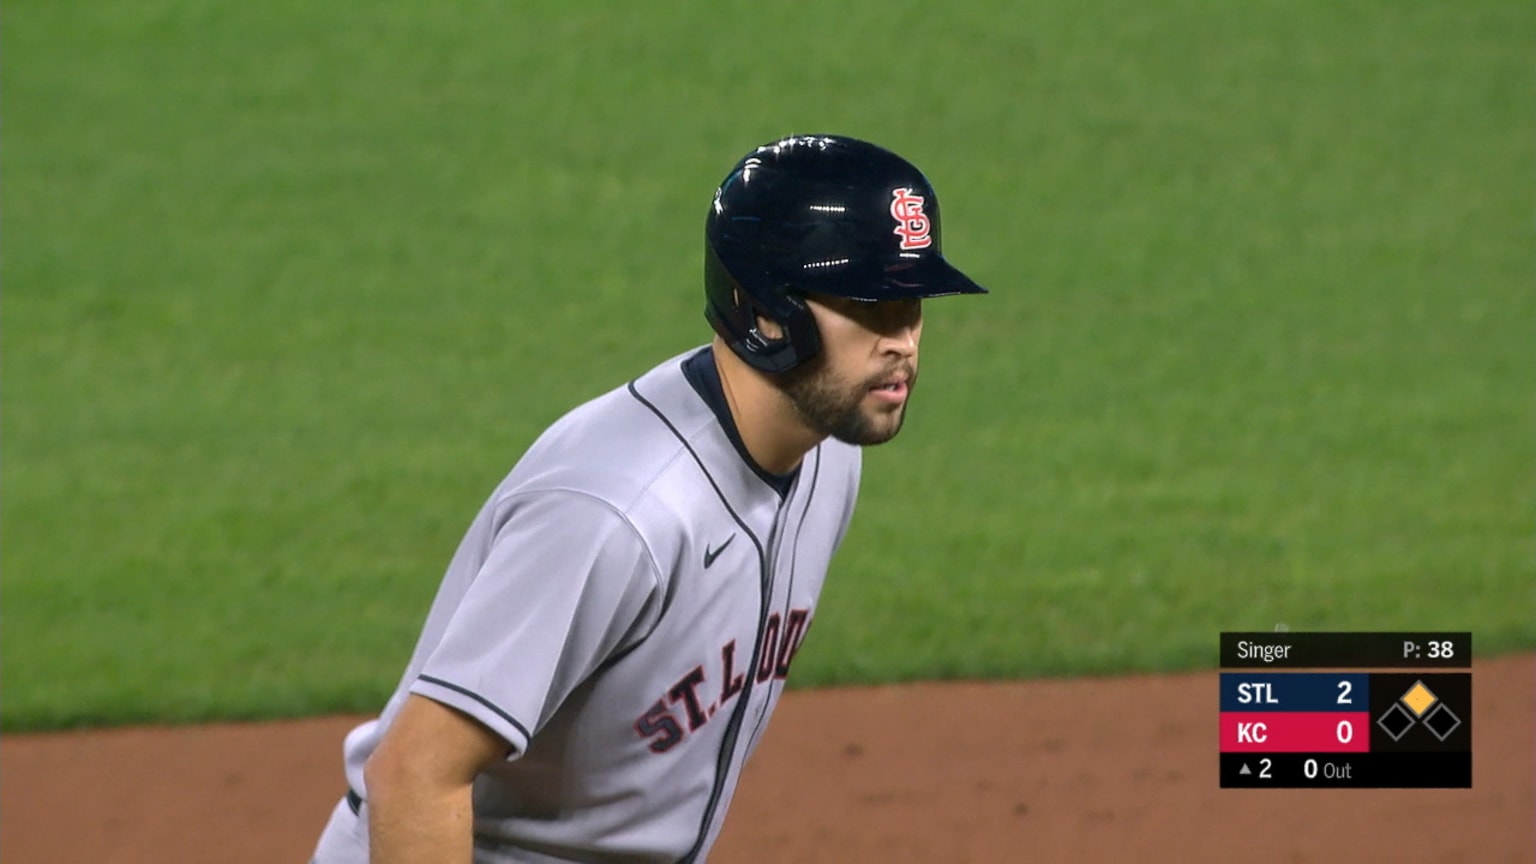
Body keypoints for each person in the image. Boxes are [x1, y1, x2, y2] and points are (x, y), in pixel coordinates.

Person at [310, 133, 988, 863]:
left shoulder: (829, 454)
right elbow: (413, 772)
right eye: (871, 306)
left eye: (912, 304)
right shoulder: (616, 511)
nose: (905, 342)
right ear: (766, 314)